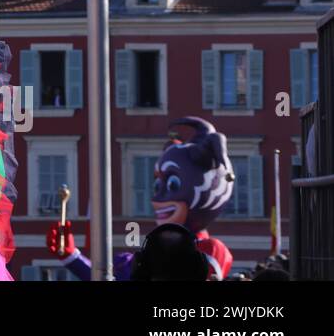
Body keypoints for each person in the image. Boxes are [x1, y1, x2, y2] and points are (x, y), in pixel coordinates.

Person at [49, 117, 235, 280]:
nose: (157, 197)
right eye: (156, 186)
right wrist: (71, 257)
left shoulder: (210, 250)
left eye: (172, 185)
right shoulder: (144, 255)